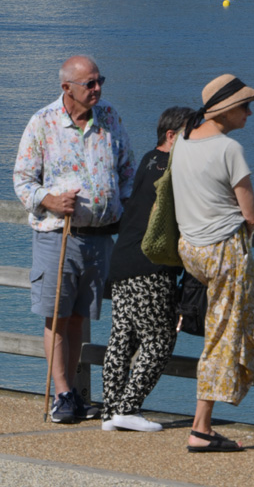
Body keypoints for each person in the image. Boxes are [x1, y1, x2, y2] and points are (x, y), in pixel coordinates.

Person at [13, 56, 135, 424]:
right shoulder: (43, 122)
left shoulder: (110, 117)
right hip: (58, 235)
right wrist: (48, 199)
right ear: (67, 88)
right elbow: (22, 179)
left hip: (100, 237)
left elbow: (127, 167)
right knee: (56, 316)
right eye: (90, 84)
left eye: (100, 81)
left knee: (81, 316)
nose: (97, 89)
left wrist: (123, 202)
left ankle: (75, 395)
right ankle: (63, 393)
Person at [171, 74, 254, 452]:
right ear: (227, 110)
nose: (250, 112)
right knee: (221, 337)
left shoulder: (182, 141)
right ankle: (201, 427)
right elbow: (251, 214)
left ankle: (203, 423)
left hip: (191, 249)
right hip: (224, 250)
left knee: (220, 330)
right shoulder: (230, 149)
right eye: (245, 106)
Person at [101, 105, 196, 432]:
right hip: (149, 266)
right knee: (159, 339)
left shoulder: (147, 159)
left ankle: (110, 412)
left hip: (122, 260)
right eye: (191, 134)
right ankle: (128, 408)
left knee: (122, 339)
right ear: (172, 136)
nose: (198, 140)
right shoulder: (173, 167)